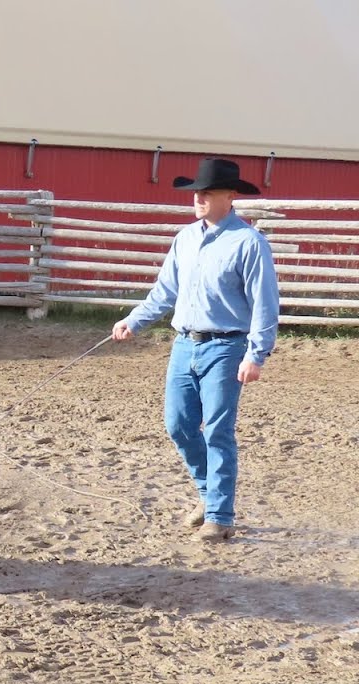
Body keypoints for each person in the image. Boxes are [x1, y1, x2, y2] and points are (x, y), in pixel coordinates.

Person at [111, 157, 279, 542]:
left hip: (226, 347)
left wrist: (256, 353)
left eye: (208, 192)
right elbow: (164, 291)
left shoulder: (250, 243)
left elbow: (264, 303)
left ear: (230, 196)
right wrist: (134, 320)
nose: (199, 198)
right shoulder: (184, 238)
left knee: (218, 429)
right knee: (178, 424)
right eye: (197, 193)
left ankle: (219, 516)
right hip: (184, 344)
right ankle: (207, 493)